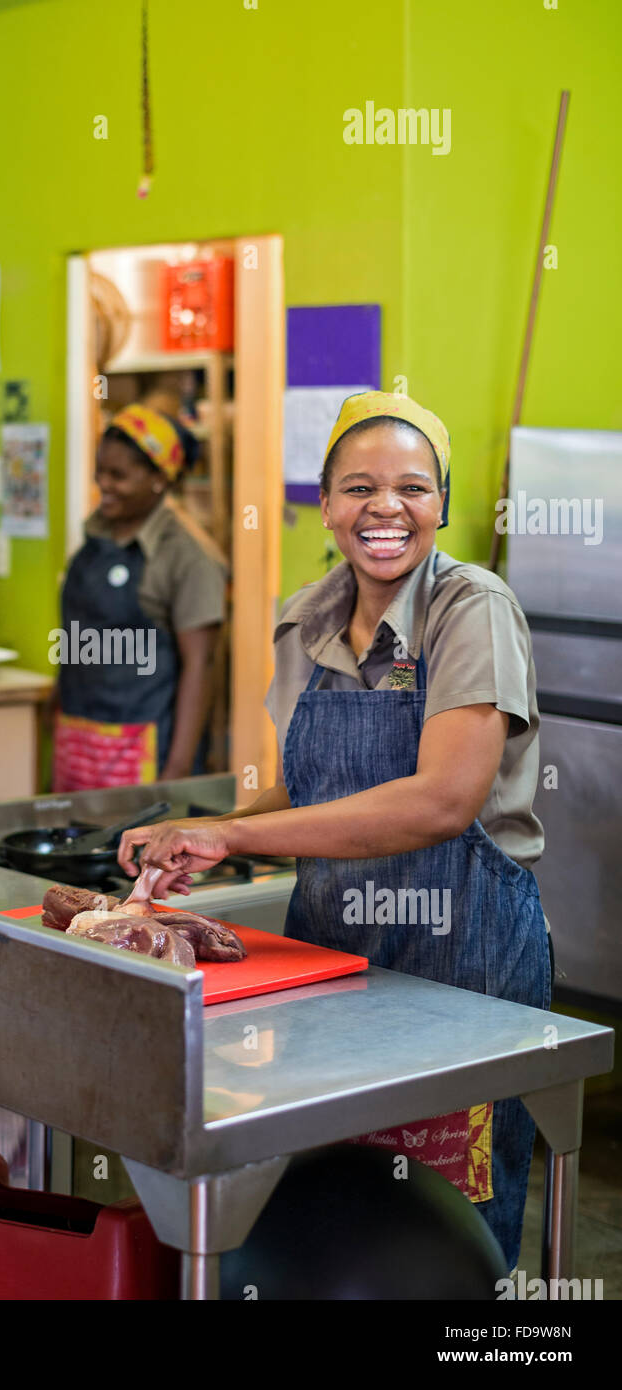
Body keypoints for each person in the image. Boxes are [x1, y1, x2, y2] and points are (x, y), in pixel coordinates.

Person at [117, 390, 552, 1272]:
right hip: (334, 952)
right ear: (325, 504)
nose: (385, 508)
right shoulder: (302, 618)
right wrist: (211, 830)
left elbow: (440, 801)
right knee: (328, 1194)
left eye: (411, 488)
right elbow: (316, 785)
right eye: (358, 487)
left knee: (445, 1212)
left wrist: (236, 841)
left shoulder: (469, 608)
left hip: (459, 951)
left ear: (440, 504)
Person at [53, 403, 227, 790]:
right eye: (101, 471)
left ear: (159, 479)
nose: (104, 484)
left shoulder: (188, 556)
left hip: (147, 750)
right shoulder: (94, 538)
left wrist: (177, 771)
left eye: (119, 475)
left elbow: (200, 667)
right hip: (78, 736)